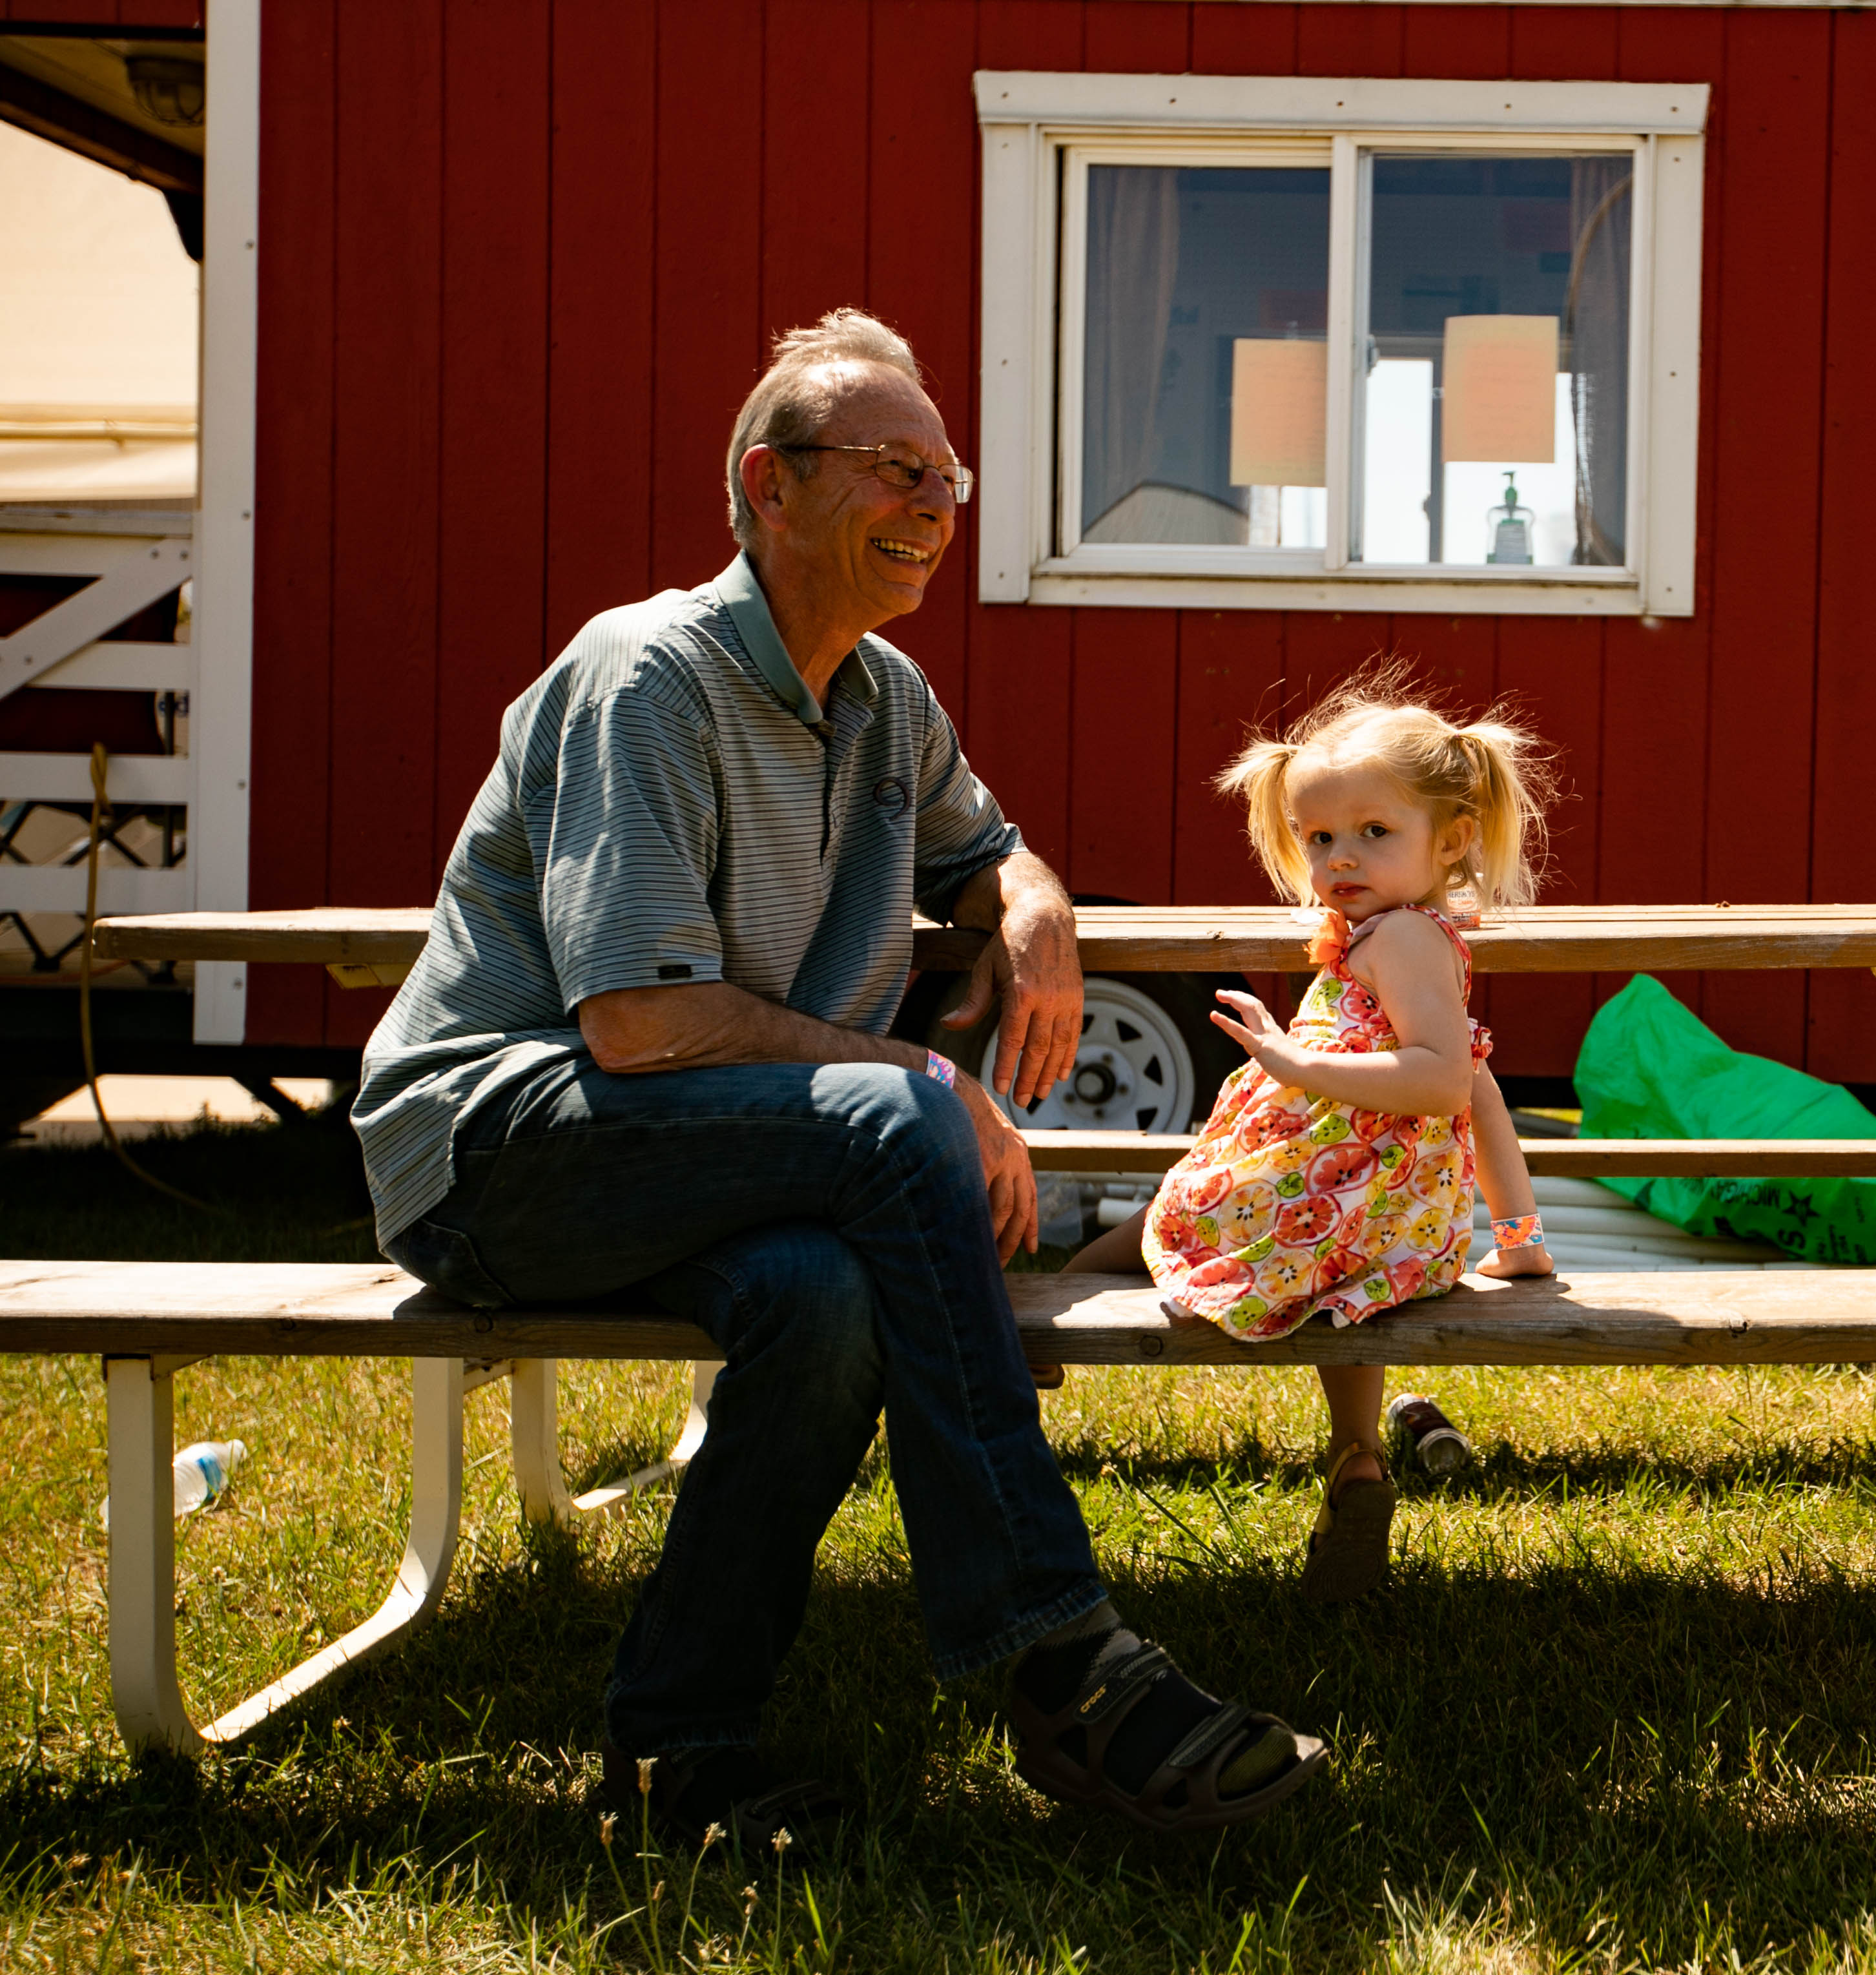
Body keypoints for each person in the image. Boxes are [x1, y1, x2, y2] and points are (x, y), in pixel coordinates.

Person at [350, 308, 1322, 1843]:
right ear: (771, 485)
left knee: (824, 1304)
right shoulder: (648, 677)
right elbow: (642, 1028)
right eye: (894, 469)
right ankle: (1063, 1661)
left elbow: (992, 852)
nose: (936, 506)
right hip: (499, 1146)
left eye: (950, 476)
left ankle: (680, 1748)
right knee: (897, 1113)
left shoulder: (883, 699)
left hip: (705, 1150)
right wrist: (926, 1086)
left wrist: (1040, 918)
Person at [1064, 668, 1556, 1601]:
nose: (1341, 859)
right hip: (1378, 1220)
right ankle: (1354, 1459)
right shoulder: (1396, 932)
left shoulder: (1402, 943)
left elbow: (1444, 1079)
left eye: (1374, 834)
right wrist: (1519, 1241)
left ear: (1450, 840)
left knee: (1178, 1209)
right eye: (1320, 837)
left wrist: (1295, 1067)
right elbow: (1483, 1092)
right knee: (1346, 1291)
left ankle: (1049, 1311)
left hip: (1333, 1196)